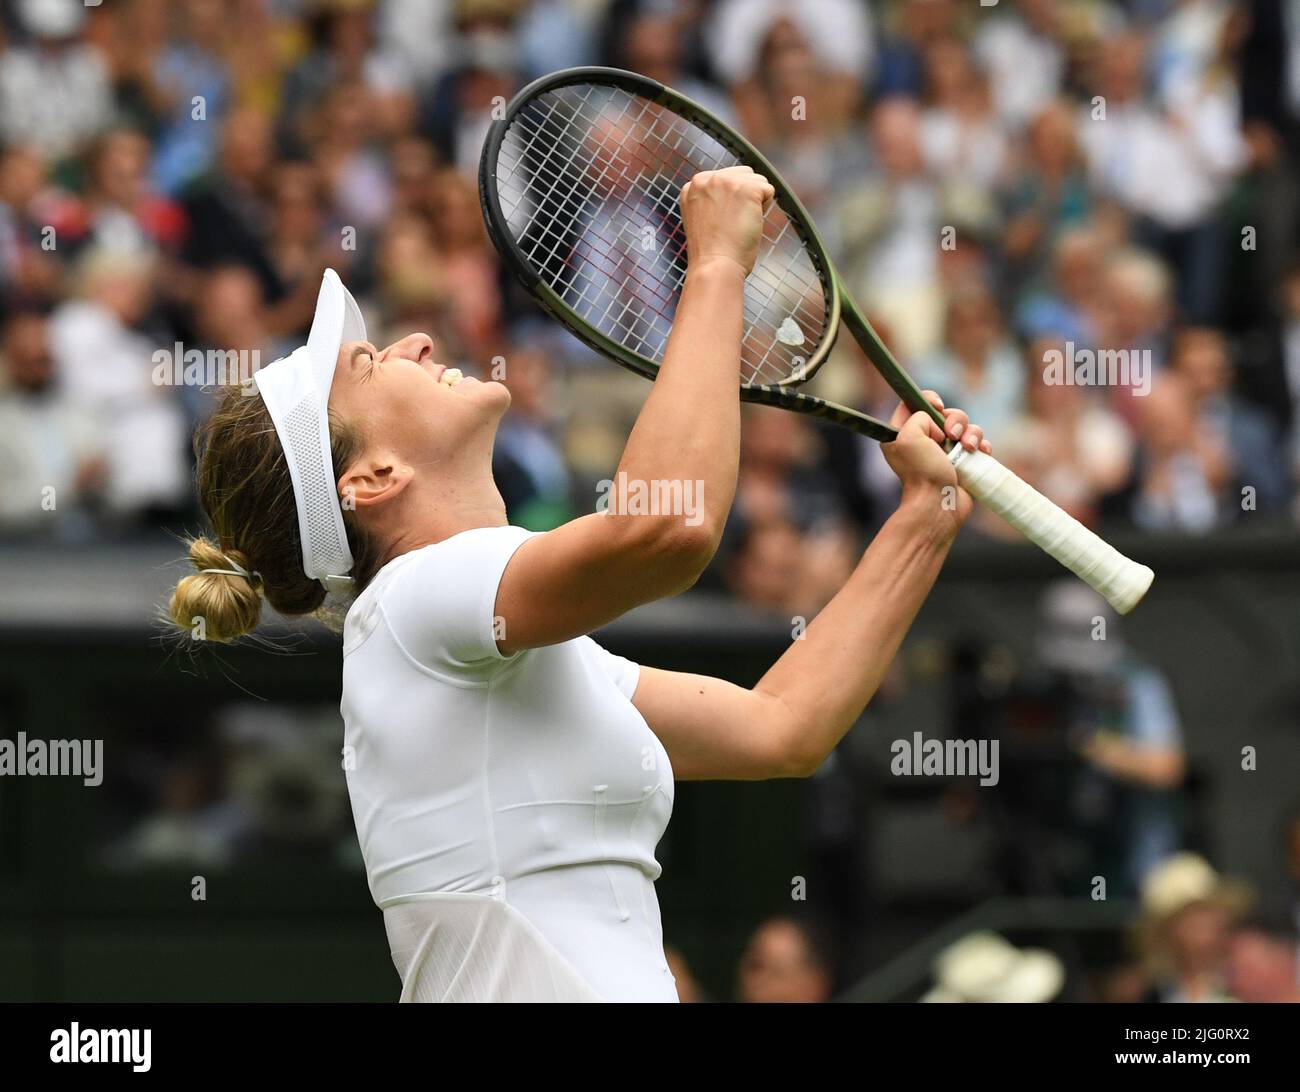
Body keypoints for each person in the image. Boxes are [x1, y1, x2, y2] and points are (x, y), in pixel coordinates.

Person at [167, 165, 994, 1002]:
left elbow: (783, 730)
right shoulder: (414, 603)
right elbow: (668, 528)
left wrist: (924, 516)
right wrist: (711, 268)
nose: (417, 343)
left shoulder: (498, 646)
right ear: (374, 478)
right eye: (375, 365)